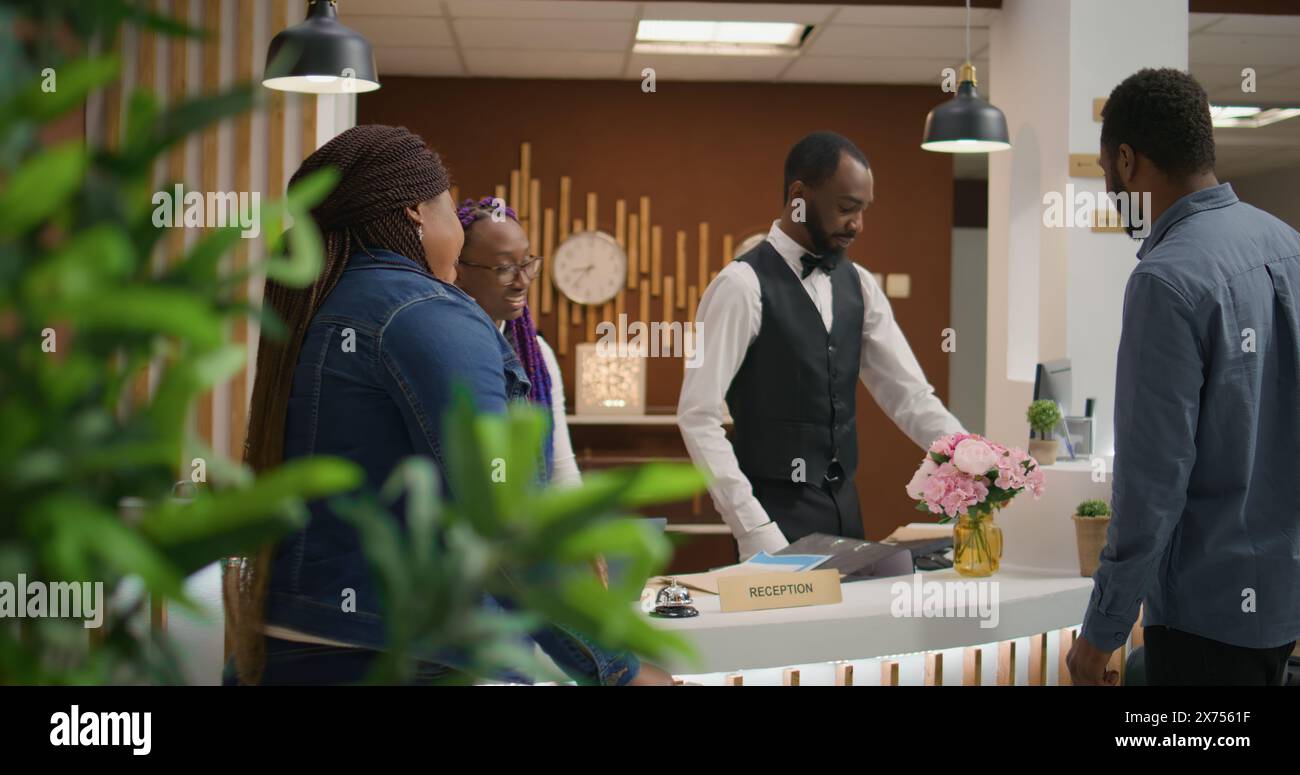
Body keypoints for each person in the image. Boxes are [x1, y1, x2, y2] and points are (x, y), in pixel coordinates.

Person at [231, 125, 652, 685]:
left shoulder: (316, 308)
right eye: (451, 210)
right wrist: (615, 669)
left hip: (287, 648)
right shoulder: (426, 313)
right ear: (415, 213)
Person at [1067, 68, 1300, 686]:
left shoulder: (1165, 280)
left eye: (1105, 173)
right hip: (1282, 604)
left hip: (1205, 617)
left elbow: (1152, 483)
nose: (1111, 193)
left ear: (1125, 160)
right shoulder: (1289, 246)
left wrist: (1101, 632)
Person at [678, 131, 964, 561]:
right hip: (771, 520)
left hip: (846, 514)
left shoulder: (860, 284)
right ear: (798, 196)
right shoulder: (739, 286)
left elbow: (909, 395)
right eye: (846, 208)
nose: (858, 225)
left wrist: (975, 461)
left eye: (863, 210)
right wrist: (753, 528)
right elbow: (697, 415)